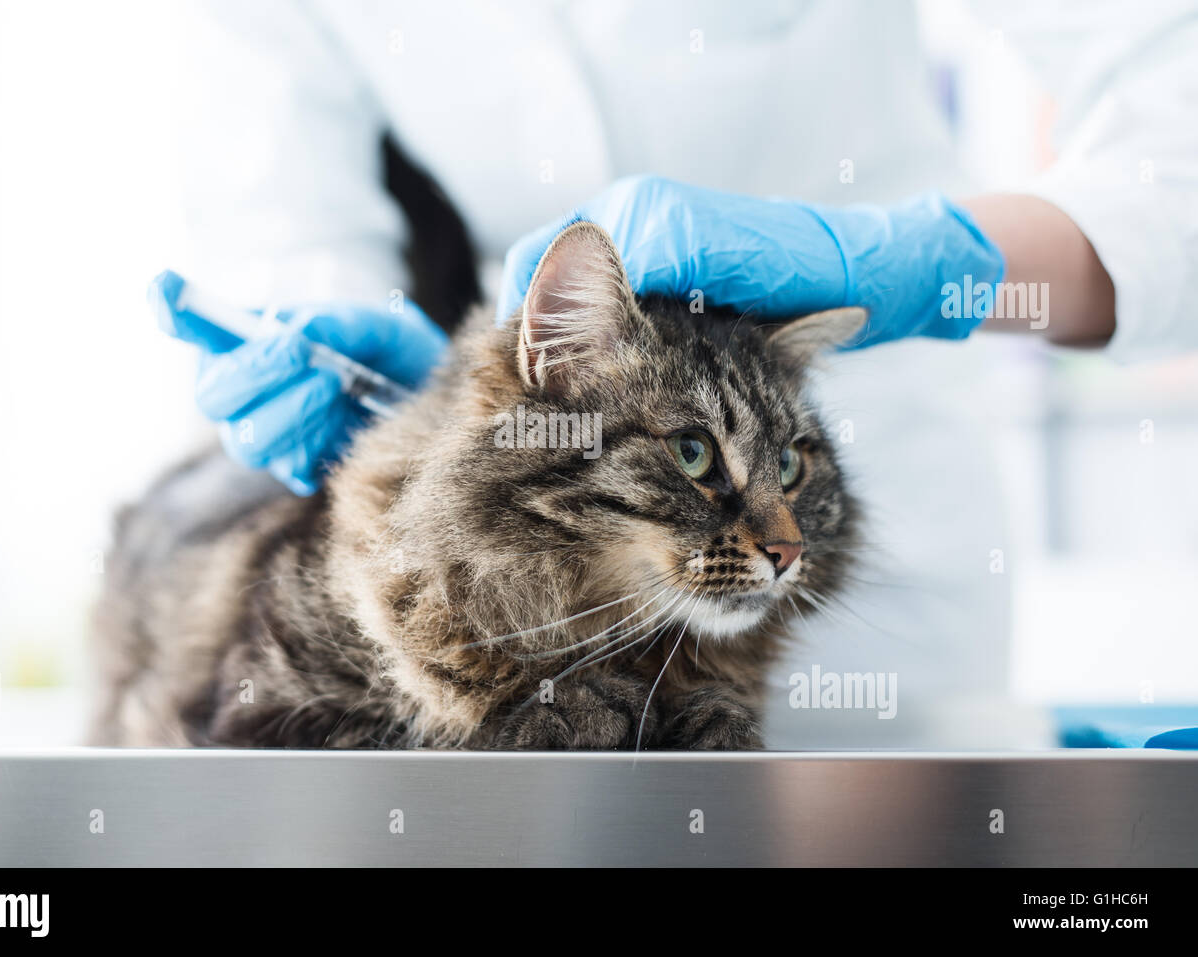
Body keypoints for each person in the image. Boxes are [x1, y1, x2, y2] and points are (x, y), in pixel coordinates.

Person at [166, 0, 1198, 747]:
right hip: (549, 440)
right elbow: (284, 210)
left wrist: (935, 265)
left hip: (867, 542)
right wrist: (322, 325)